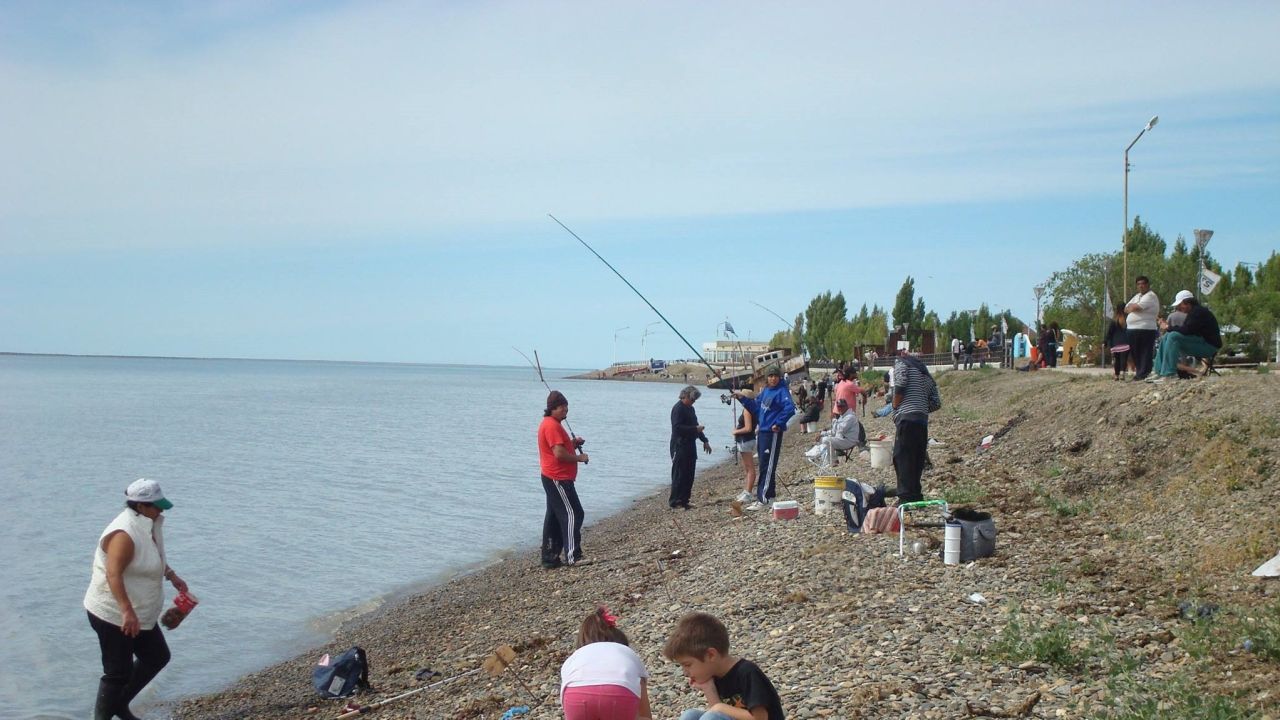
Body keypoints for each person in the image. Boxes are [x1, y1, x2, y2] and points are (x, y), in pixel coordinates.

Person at [85, 479, 188, 720]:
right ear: (140, 507)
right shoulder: (124, 533)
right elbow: (113, 573)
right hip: (112, 613)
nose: (161, 510)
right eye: (156, 506)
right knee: (116, 672)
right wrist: (126, 611)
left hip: (140, 612)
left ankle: (120, 706)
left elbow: (149, 556)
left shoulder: (149, 524)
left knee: (157, 657)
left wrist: (171, 575)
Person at [664, 612, 784, 720]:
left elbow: (760, 718)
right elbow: (718, 713)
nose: (685, 672)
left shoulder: (747, 672)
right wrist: (708, 688)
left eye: (687, 665)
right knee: (689, 715)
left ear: (711, 655)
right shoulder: (714, 674)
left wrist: (720, 708)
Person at [560, 607, 653, 720]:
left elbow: (565, 689)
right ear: (621, 642)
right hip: (618, 692)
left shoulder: (575, 657)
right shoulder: (626, 653)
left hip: (575, 693)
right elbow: (645, 714)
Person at [731, 366, 795, 511]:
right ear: (767, 378)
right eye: (770, 376)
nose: (773, 378)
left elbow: (790, 408)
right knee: (764, 464)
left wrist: (778, 423)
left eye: (775, 376)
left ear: (779, 377)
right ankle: (770, 496)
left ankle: (763, 499)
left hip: (772, 433)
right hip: (762, 432)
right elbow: (755, 408)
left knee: (767, 465)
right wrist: (742, 398)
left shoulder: (782, 391)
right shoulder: (765, 391)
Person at [539, 390, 589, 569]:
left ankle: (550, 557)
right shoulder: (551, 425)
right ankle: (572, 555)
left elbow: (560, 447)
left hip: (554, 476)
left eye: (567, 407)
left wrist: (573, 444)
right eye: (562, 407)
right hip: (557, 478)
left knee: (553, 517)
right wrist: (579, 458)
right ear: (552, 408)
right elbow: (559, 454)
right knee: (573, 514)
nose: (566, 410)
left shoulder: (553, 424)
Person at [892, 352, 941, 504]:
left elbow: (900, 382)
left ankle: (905, 498)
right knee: (917, 458)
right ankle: (915, 495)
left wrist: (895, 404)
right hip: (921, 421)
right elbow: (936, 402)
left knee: (902, 457)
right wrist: (922, 408)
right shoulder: (925, 374)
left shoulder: (901, 363)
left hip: (906, 418)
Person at [1149, 290, 1222, 383]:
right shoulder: (1193, 312)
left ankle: (1170, 374)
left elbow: (1187, 331)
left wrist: (1168, 327)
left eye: (1180, 305)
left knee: (1173, 336)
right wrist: (1169, 328)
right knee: (1168, 335)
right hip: (1201, 343)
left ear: (1187, 302)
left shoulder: (1198, 312)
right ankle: (1158, 372)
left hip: (1209, 346)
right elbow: (1186, 330)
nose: (1179, 308)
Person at [670, 385, 712, 509]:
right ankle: (675, 501)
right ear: (685, 396)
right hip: (679, 443)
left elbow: (696, 425)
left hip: (690, 443)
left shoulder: (691, 409)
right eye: (692, 400)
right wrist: (694, 429)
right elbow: (677, 428)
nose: (693, 402)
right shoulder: (678, 409)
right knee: (679, 473)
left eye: (694, 401)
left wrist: (705, 440)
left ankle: (685, 500)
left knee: (689, 473)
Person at [804, 397, 864, 464]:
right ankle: (823, 457)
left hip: (849, 441)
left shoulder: (850, 417)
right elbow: (834, 431)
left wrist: (834, 420)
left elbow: (841, 430)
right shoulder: (843, 416)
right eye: (838, 407)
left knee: (825, 440)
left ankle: (832, 461)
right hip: (842, 439)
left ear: (846, 406)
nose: (840, 408)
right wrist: (822, 433)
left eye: (842, 406)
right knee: (822, 439)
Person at [1124, 275, 1160, 380]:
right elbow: (1126, 308)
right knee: (1135, 352)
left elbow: (1136, 307)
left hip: (1145, 328)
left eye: (1143, 284)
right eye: (1138, 284)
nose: (1141, 286)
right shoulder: (1137, 296)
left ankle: (1144, 373)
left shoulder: (1150, 296)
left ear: (1147, 285)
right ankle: (1139, 372)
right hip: (1132, 328)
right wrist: (1132, 307)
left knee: (1144, 351)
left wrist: (1134, 307)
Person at [731, 390, 758, 504]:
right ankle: (746, 491)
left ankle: (748, 493)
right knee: (748, 468)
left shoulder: (747, 410)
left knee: (749, 468)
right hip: (749, 440)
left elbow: (748, 428)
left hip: (745, 440)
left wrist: (735, 431)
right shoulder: (754, 408)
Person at [1104, 305, 1131, 381]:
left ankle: (1116, 375)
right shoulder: (1127, 320)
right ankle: (1122, 373)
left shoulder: (1114, 321)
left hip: (1115, 343)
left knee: (1117, 360)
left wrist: (1105, 342)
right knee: (1124, 359)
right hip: (1125, 342)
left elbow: (1109, 333)